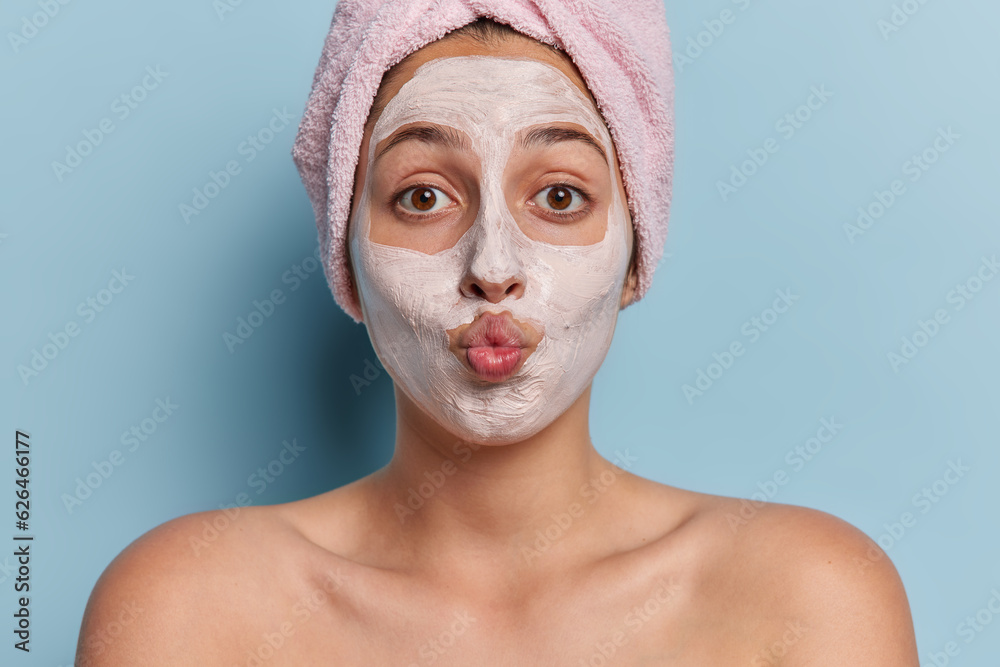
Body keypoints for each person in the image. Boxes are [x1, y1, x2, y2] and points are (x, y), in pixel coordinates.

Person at [76, 4, 919, 665]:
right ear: (346, 258)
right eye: (422, 195)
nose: (492, 265)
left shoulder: (811, 596)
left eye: (558, 195)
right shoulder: (183, 605)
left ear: (637, 253)